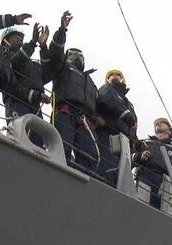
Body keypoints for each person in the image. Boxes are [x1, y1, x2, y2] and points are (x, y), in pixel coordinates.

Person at [45, 12, 100, 173]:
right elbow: (55, 52)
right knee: (61, 149)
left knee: (90, 156)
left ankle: (85, 186)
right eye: (73, 54)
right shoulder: (63, 68)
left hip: (85, 120)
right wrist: (62, 31)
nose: (78, 57)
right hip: (64, 113)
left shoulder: (90, 82)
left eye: (80, 55)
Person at [2, 24, 55, 122]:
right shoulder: (4, 56)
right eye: (15, 37)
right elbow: (16, 63)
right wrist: (32, 43)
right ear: (5, 41)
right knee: (22, 135)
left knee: (38, 136)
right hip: (16, 102)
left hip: (35, 105)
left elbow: (47, 74)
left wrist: (43, 47)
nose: (20, 40)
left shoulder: (31, 64)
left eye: (21, 38)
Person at [95, 68, 138, 179]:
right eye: (110, 75)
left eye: (118, 74)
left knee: (121, 176)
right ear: (107, 80)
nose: (114, 76)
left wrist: (136, 143)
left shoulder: (129, 104)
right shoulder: (105, 89)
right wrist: (126, 115)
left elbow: (133, 126)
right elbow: (108, 100)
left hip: (125, 142)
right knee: (106, 167)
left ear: (122, 79)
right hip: (109, 135)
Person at [137, 118, 172, 209]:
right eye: (157, 124)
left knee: (158, 209)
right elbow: (133, 156)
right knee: (140, 204)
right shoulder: (146, 142)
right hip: (145, 175)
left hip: (163, 181)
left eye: (162, 123)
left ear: (169, 130)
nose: (158, 124)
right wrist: (141, 156)